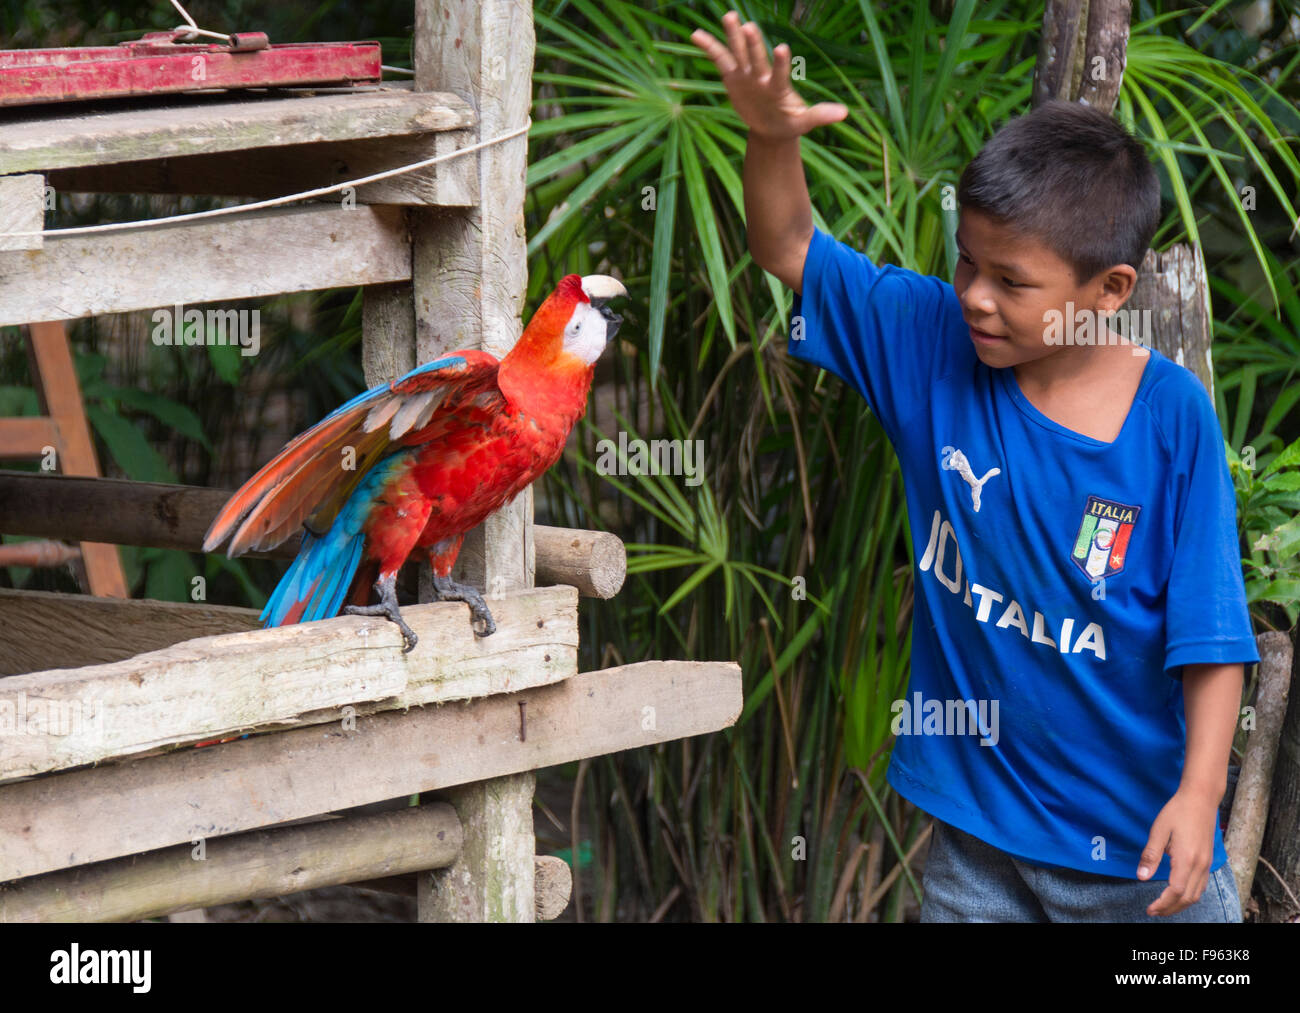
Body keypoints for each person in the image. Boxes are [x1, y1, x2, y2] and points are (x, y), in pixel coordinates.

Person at [691, 11, 1259, 922]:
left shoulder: (1173, 420)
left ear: (1109, 289)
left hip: (1144, 852)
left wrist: (1200, 795)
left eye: (1011, 282)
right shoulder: (928, 338)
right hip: (976, 847)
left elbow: (1212, 637)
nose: (974, 297)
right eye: (965, 263)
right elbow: (789, 247)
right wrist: (768, 136)